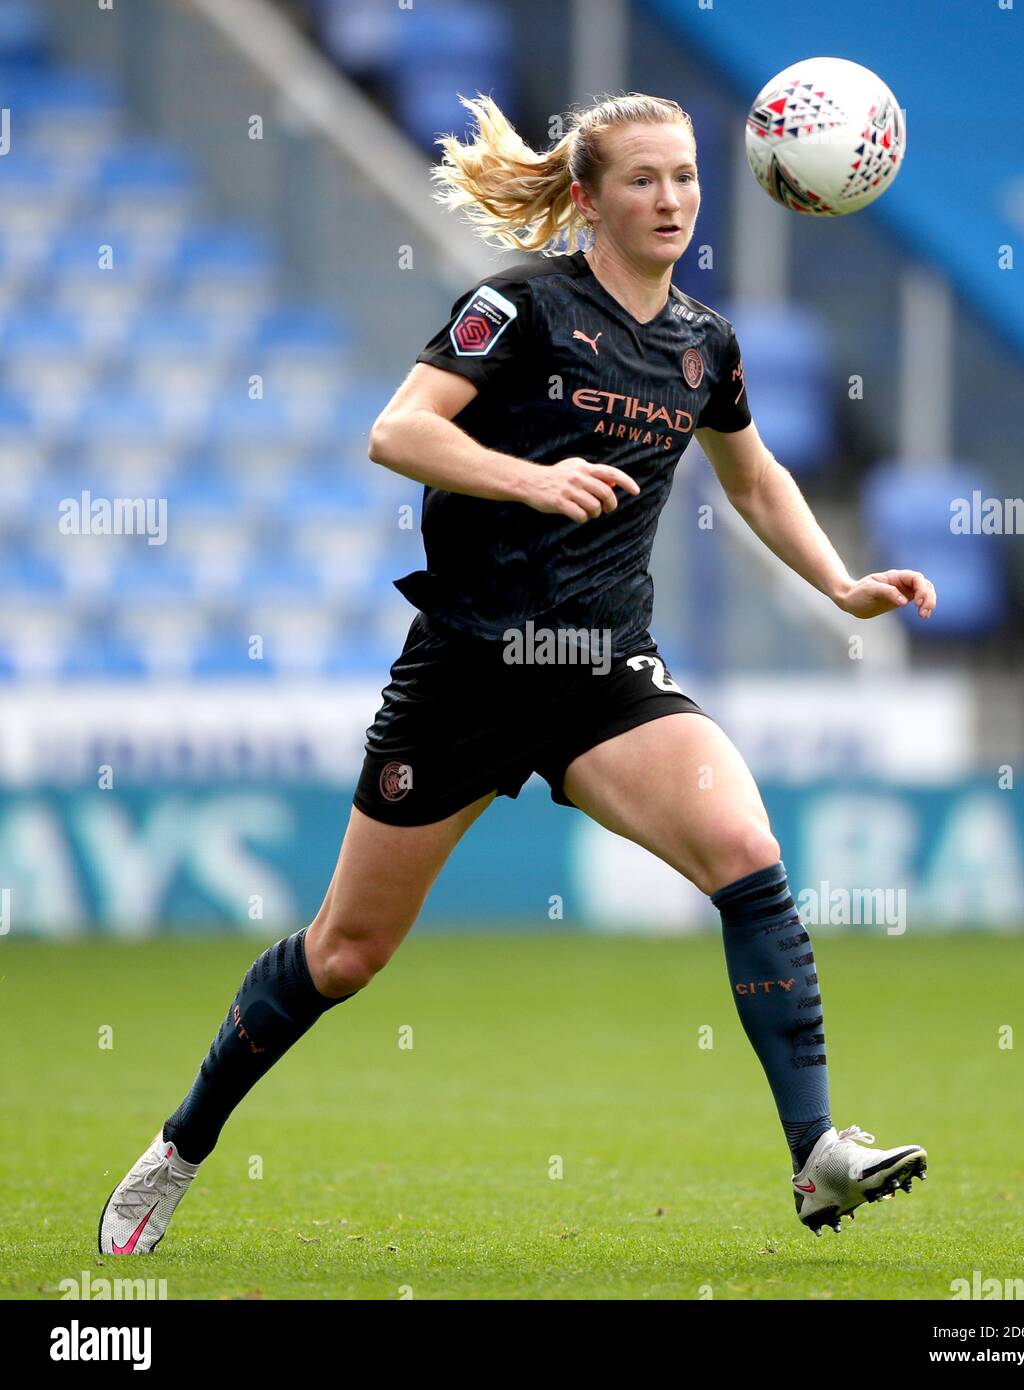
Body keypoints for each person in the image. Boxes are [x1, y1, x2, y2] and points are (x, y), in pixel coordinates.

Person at [99, 92, 935, 1257]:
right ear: (586, 198)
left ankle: (815, 1157)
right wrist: (529, 479)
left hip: (602, 671)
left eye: (685, 177)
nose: (670, 200)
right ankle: (182, 1143)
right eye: (642, 180)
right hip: (469, 668)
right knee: (346, 952)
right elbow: (398, 431)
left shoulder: (703, 342)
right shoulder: (523, 305)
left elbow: (752, 478)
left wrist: (840, 584)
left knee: (747, 857)